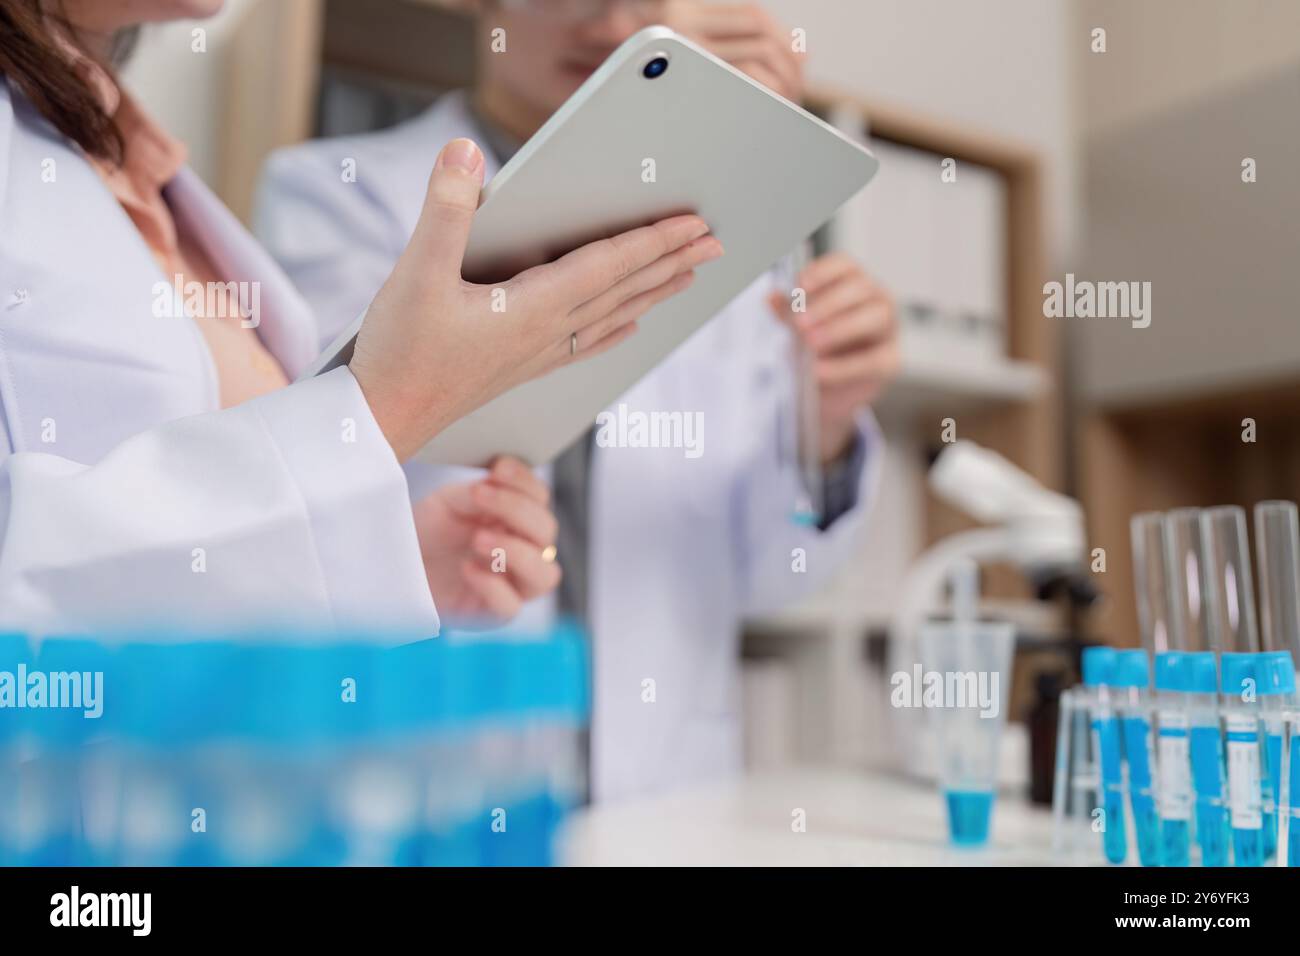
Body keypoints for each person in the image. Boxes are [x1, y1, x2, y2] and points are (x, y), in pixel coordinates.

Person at [257, 0, 900, 800]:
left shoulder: (718, 232)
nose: (611, 24)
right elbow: (325, 464)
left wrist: (825, 421)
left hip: (667, 801)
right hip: (436, 787)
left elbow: (775, 577)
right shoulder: (338, 193)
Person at [0, 0, 716, 634]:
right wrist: (391, 401)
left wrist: (373, 566)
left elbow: (178, 559)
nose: (610, 19)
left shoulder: (124, 158)